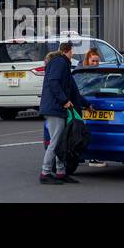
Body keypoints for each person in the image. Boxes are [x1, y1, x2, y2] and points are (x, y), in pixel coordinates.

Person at [39, 40, 89, 184]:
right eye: (72, 51)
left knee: (62, 142)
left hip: (58, 108)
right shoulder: (59, 62)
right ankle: (45, 172)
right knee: (55, 142)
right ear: (69, 51)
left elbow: (74, 90)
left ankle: (61, 172)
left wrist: (87, 104)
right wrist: (64, 101)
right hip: (55, 108)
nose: (72, 54)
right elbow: (53, 82)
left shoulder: (63, 64)